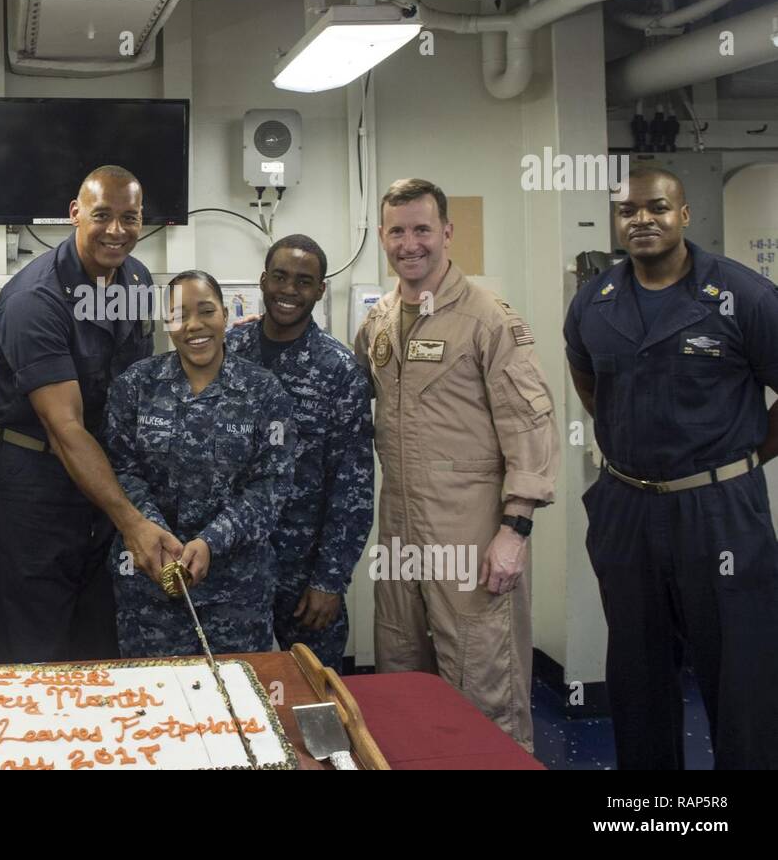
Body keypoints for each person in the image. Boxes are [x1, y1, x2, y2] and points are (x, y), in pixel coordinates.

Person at [565, 165, 778, 769]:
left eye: (657, 208)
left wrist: (745, 457)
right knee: (636, 674)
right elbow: (588, 378)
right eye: (628, 210)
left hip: (720, 512)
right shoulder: (595, 301)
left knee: (740, 676)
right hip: (627, 505)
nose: (642, 220)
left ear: (684, 215)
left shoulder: (744, 297)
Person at [354, 178, 558, 751]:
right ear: (383, 237)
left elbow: (531, 425)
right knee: (401, 675)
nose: (410, 243)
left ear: (447, 232)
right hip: (400, 533)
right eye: (397, 231)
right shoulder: (381, 321)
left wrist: (515, 529)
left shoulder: (488, 319)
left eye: (422, 229)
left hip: (471, 533)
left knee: (482, 681)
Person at [0, 165, 181, 663]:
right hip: (36, 479)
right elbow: (65, 428)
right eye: (102, 216)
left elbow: (137, 388)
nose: (117, 231)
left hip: (101, 476)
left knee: (97, 633)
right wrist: (133, 522)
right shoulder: (36, 300)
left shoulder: (133, 278)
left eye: (130, 218)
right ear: (75, 214)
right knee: (38, 639)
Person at [104, 271, 296, 656]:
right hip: (149, 587)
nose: (194, 325)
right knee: (155, 706)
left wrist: (211, 541)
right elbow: (120, 471)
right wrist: (152, 530)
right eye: (179, 314)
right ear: (167, 324)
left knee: (237, 703)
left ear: (225, 315)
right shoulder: (136, 385)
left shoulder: (264, 391)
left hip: (236, 591)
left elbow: (270, 487)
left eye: (206, 311)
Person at [226, 235, 373, 669]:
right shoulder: (229, 352)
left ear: (321, 290)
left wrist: (330, 579)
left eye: (304, 281)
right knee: (236, 687)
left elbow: (353, 486)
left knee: (317, 697)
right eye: (280, 277)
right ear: (263, 281)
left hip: (304, 571)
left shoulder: (339, 370)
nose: (289, 290)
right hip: (232, 565)